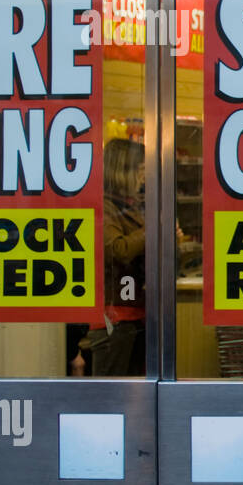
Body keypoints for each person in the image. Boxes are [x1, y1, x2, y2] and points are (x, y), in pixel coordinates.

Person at [82, 139, 147, 376]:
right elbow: (118, 249)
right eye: (141, 170)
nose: (144, 177)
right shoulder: (103, 207)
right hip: (114, 318)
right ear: (122, 172)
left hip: (133, 315)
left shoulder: (131, 207)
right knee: (111, 397)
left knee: (132, 396)